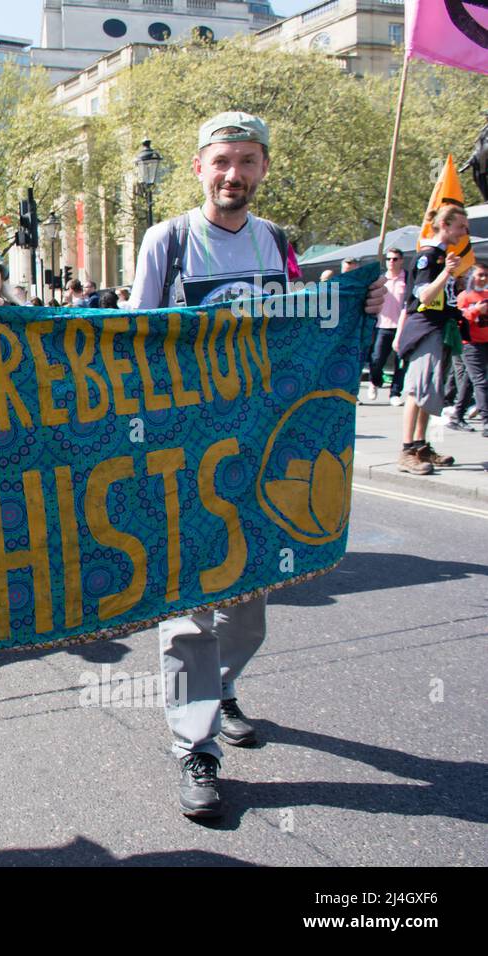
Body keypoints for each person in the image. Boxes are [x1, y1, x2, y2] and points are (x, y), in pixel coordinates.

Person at [128, 111, 385, 819]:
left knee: (250, 612)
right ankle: (196, 750)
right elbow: (131, 340)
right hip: (185, 461)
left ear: (264, 168)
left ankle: (223, 688)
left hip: (262, 458)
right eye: (221, 161)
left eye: (246, 161)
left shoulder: (277, 241)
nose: (233, 174)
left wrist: (361, 302)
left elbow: (306, 328)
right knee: (187, 616)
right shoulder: (168, 241)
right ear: (198, 168)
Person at [394, 203, 468, 475]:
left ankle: (421, 445)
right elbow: (423, 296)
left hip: (440, 328)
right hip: (425, 328)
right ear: (445, 226)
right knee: (417, 389)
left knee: (430, 389)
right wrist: (447, 273)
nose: (464, 232)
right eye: (461, 227)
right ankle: (406, 451)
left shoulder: (444, 257)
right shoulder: (429, 257)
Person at [450, 261, 488, 435]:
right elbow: (458, 321)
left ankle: (457, 415)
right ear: (471, 277)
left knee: (469, 380)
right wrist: (475, 311)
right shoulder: (464, 296)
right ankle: (486, 420)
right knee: (480, 381)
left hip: (485, 342)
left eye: (486, 275)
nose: (483, 278)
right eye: (480, 275)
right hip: (470, 344)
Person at [368, 248, 408, 404]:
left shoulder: (406, 279)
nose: (392, 261)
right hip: (382, 325)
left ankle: (395, 393)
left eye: (395, 259)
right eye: (389, 259)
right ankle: (374, 381)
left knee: (401, 362)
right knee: (377, 358)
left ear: (401, 260)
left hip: (402, 326)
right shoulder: (380, 279)